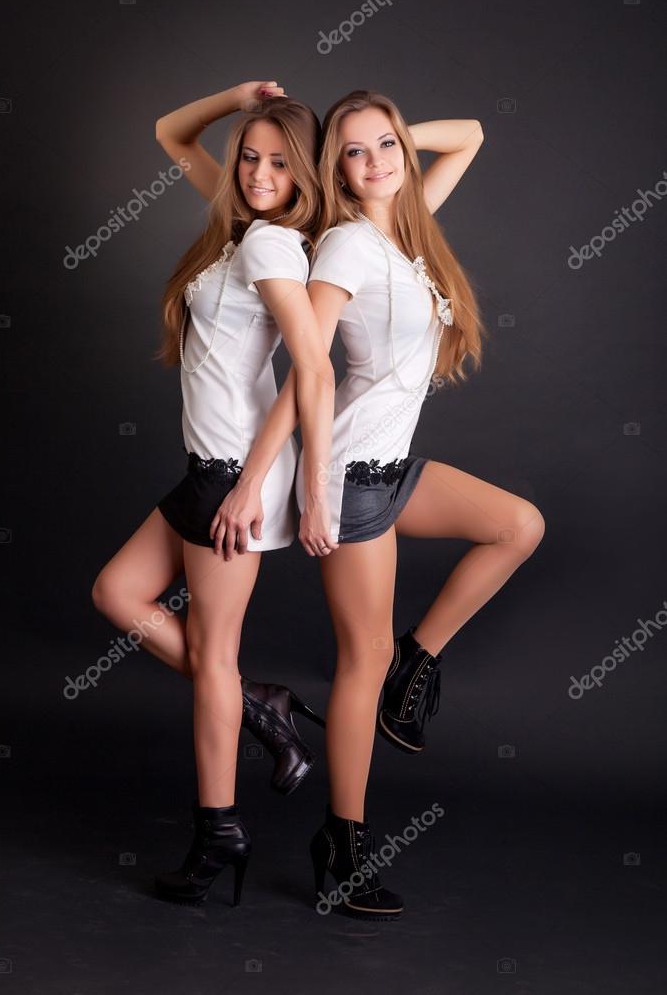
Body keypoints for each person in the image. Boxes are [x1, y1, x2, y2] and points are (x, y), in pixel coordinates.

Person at [228, 88, 546, 920]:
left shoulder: (403, 233)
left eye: (386, 149)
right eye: (354, 153)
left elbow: (472, 129)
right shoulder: (344, 247)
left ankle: (420, 660)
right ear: (334, 166)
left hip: (393, 464)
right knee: (359, 664)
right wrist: (311, 488)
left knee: (518, 525)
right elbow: (309, 366)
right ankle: (343, 841)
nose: (373, 164)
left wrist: (390, 133)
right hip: (350, 476)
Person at [91, 81, 337, 908]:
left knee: (212, 662)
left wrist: (252, 486)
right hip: (209, 466)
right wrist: (237, 97)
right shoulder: (242, 223)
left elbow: (310, 370)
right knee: (119, 593)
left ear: (304, 177)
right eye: (251, 158)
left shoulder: (270, 246)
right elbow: (170, 132)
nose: (260, 173)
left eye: (279, 164)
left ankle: (218, 829)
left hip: (234, 474)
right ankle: (263, 708)